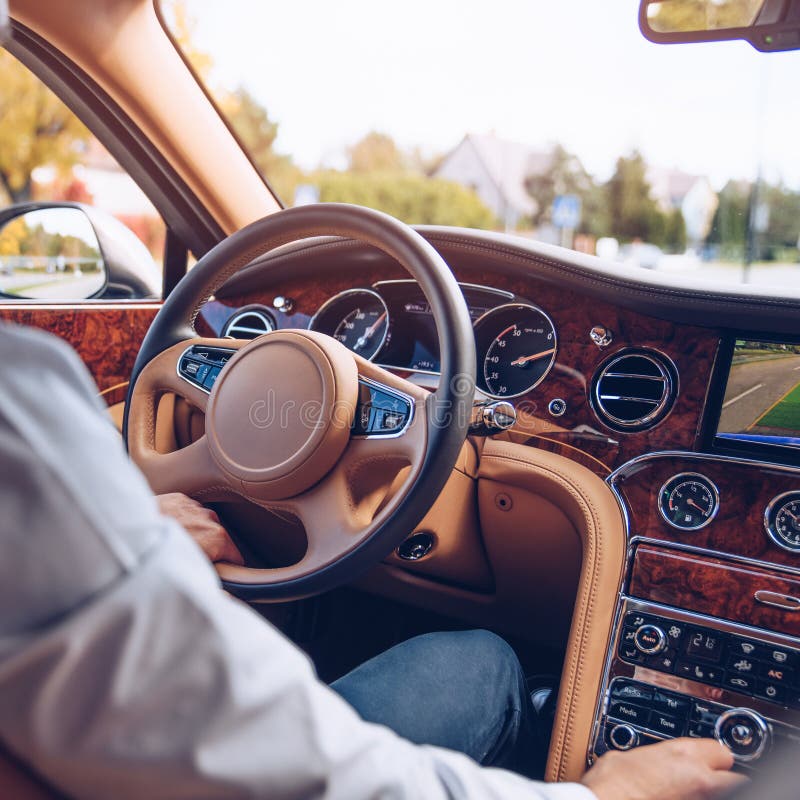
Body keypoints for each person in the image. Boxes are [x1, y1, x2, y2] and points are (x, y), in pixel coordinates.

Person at [0, 323, 746, 800]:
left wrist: (133, 529)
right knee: (482, 661)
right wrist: (599, 795)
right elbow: (276, 773)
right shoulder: (17, 415)